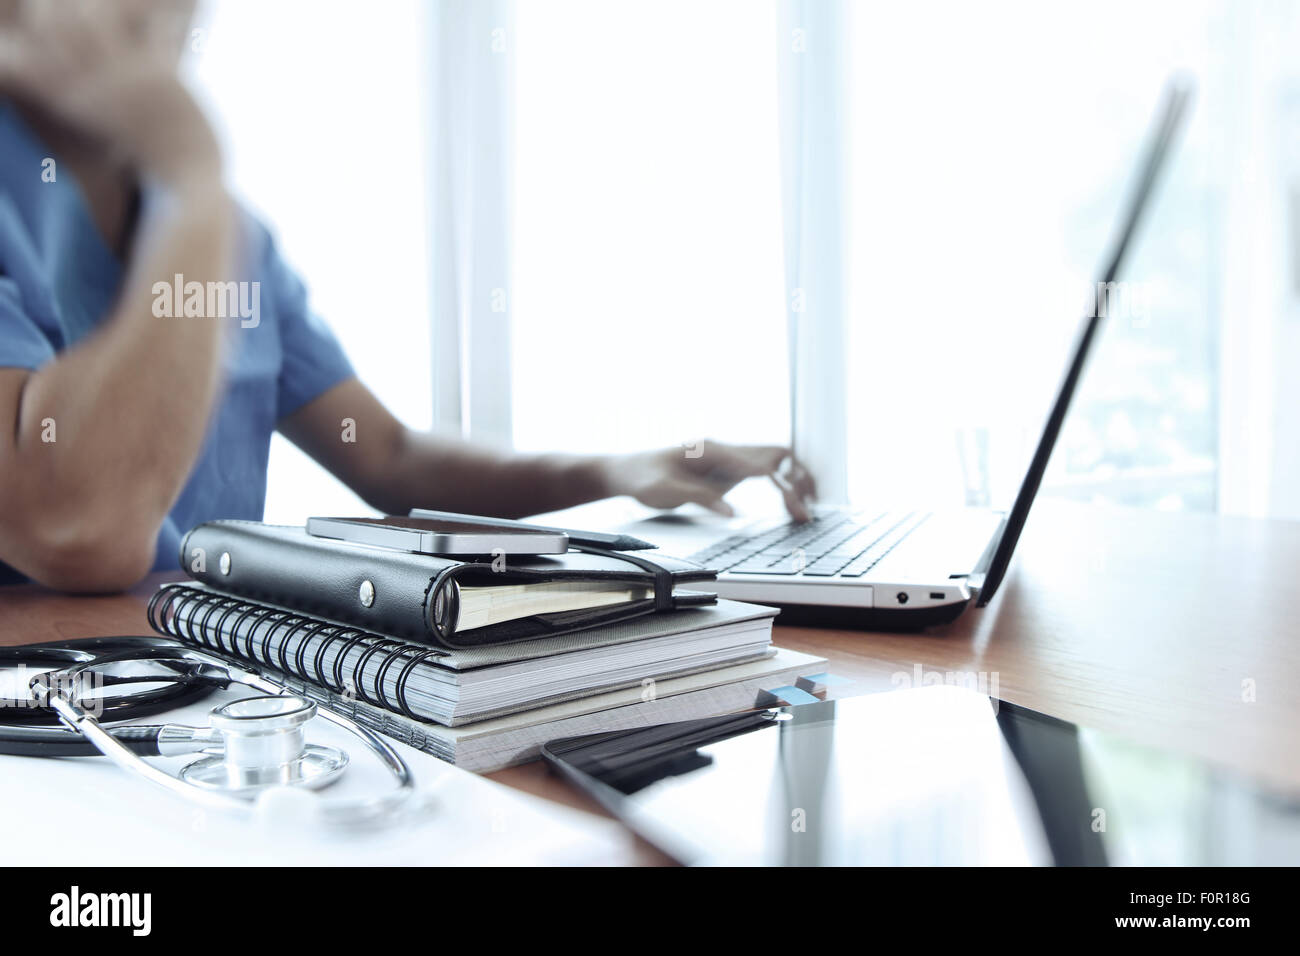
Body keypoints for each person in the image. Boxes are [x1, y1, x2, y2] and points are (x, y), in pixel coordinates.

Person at [0, 0, 813, 592]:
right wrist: (190, 163)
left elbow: (387, 456)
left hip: (206, 683)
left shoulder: (226, 239)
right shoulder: (180, 201)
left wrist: (610, 467)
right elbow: (82, 527)